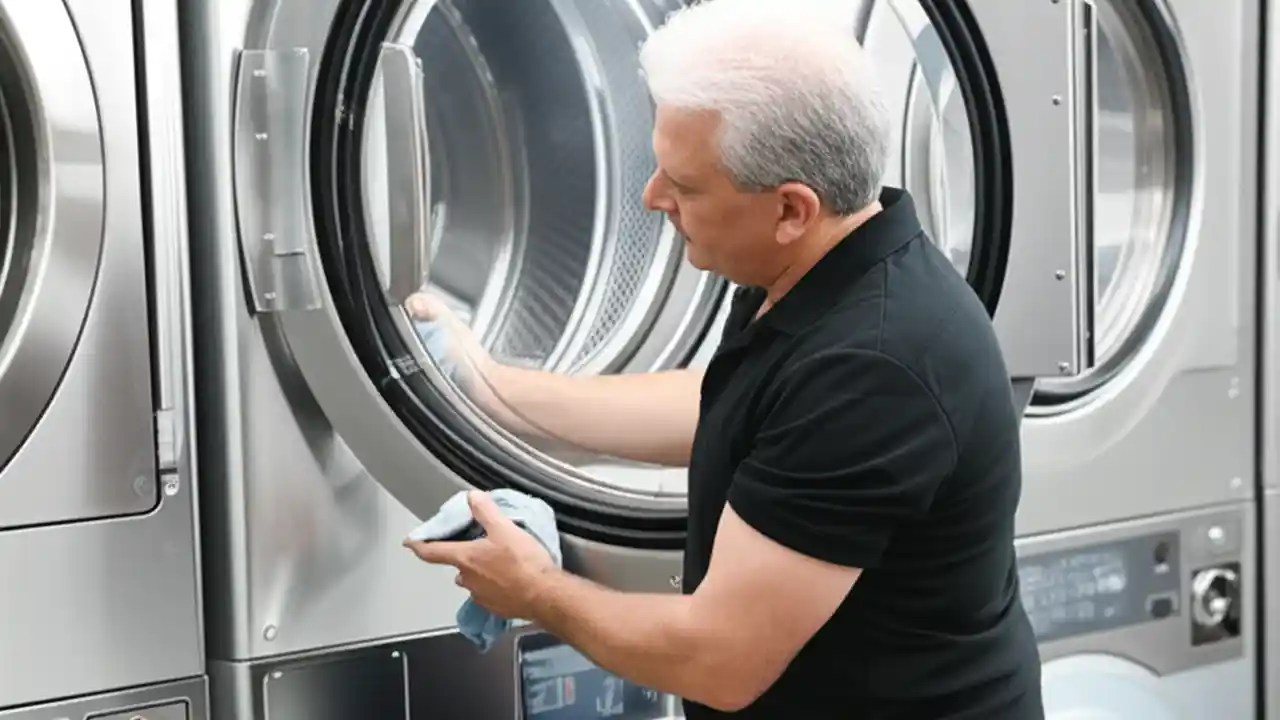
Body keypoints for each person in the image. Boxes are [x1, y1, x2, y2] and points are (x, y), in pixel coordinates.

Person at [403, 0, 1045, 716]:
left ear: (791, 210)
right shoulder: (817, 269)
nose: (651, 199)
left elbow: (717, 660)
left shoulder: (876, 366)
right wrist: (490, 387)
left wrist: (535, 591)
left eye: (684, 186)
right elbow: (735, 404)